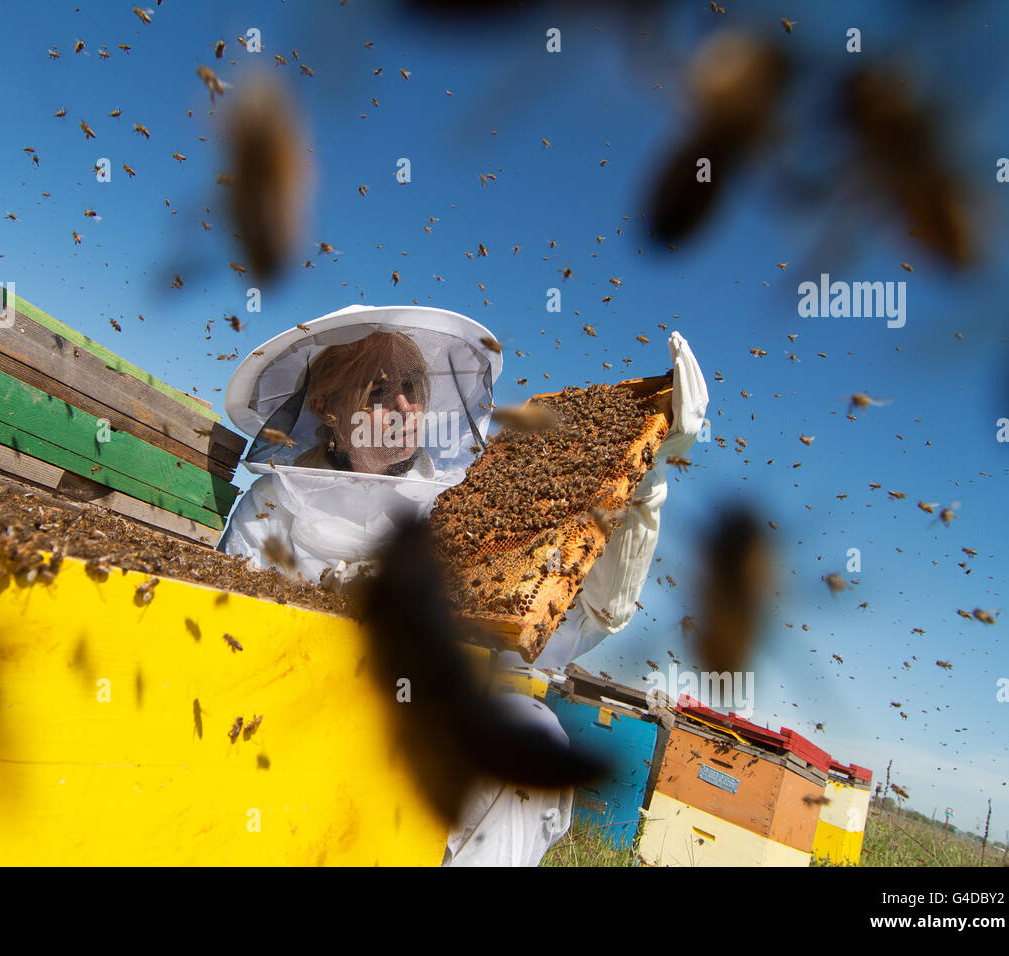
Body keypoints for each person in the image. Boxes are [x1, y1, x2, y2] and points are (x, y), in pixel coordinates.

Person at [219, 304, 708, 865]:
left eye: (415, 387)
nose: (405, 406)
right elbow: (231, 641)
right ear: (327, 407)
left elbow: (582, 617)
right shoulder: (271, 505)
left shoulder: (458, 507)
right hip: (293, 722)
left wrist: (646, 479)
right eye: (379, 390)